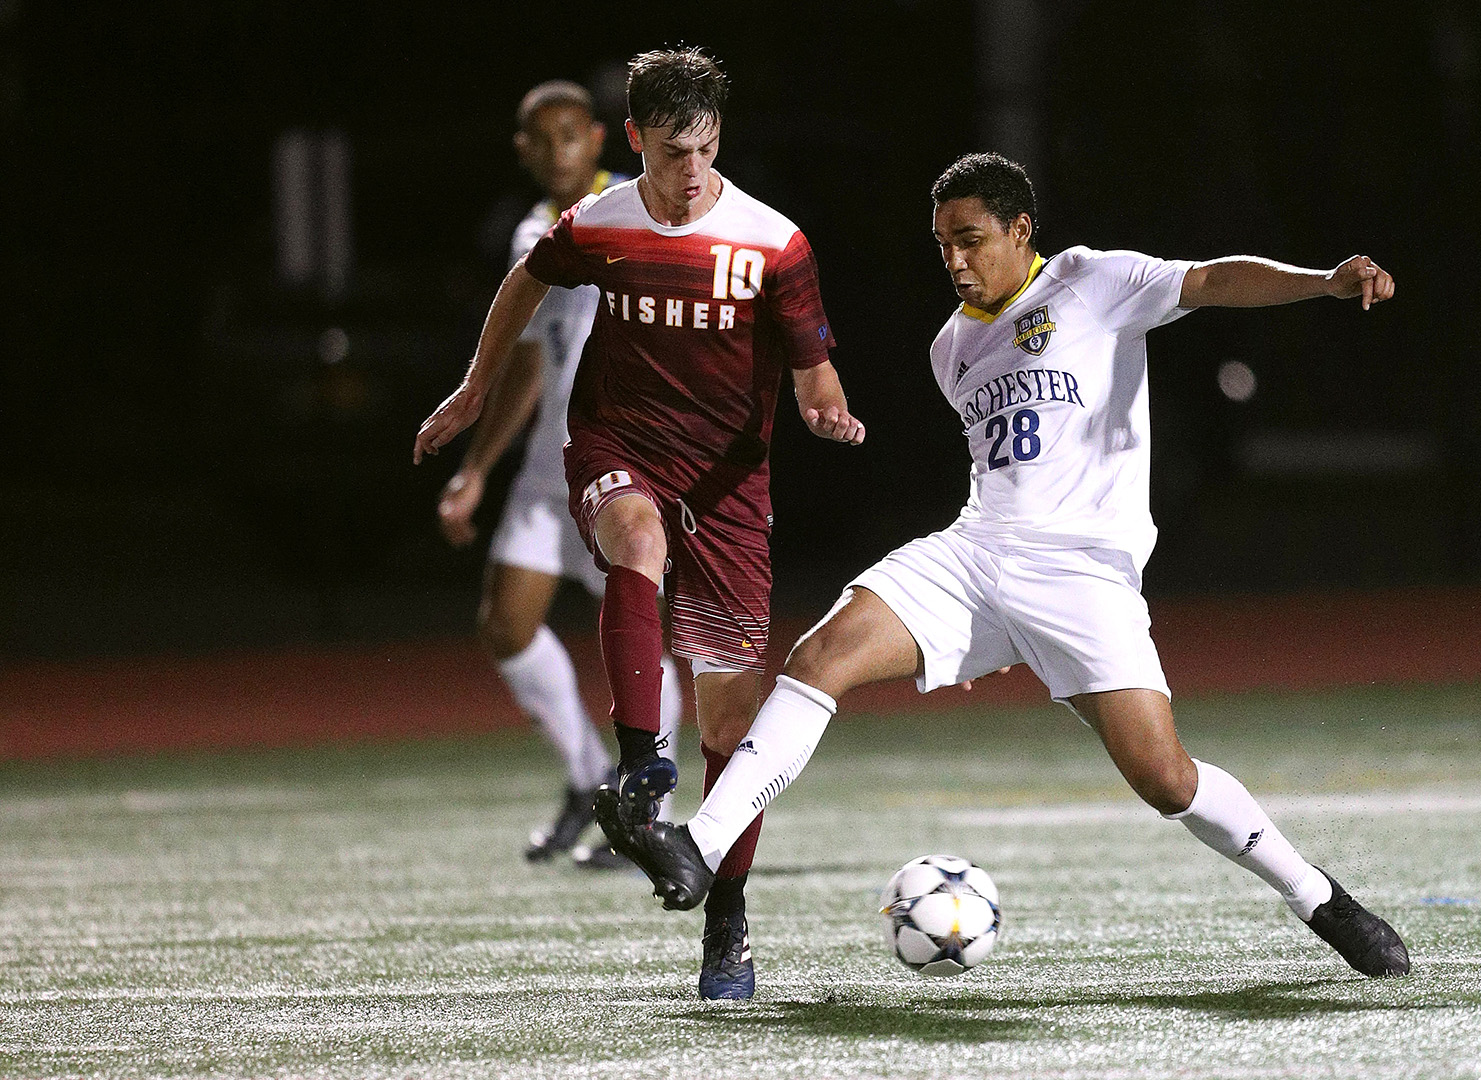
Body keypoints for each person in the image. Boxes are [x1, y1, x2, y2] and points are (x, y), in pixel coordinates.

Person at [607, 152, 1411, 979]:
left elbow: (1211, 281)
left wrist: (1324, 280)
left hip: (1082, 575)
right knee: (818, 657)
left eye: (971, 239)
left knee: (1166, 781)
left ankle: (1318, 897)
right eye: (941, 245)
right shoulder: (950, 347)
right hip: (977, 552)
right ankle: (697, 844)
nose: (954, 261)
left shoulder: (1092, 281)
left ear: (1021, 230)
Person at [414, 47, 864, 1000]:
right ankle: (635, 768)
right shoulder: (599, 221)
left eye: (703, 149)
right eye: (669, 153)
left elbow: (816, 372)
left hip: (732, 489)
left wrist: (827, 409)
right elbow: (526, 283)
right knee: (637, 543)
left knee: (732, 725)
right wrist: (473, 386)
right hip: (617, 445)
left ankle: (728, 923)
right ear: (635, 143)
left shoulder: (775, 243)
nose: (690, 171)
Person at [436, 79, 684, 871]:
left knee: (640, 623)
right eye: (540, 139)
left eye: (570, 134)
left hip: (625, 462)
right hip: (552, 465)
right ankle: (589, 779)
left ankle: (652, 808)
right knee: (505, 622)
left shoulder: (636, 211)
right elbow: (533, 361)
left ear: (600, 137)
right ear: (523, 148)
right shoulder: (530, 233)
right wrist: (475, 468)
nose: (557, 151)